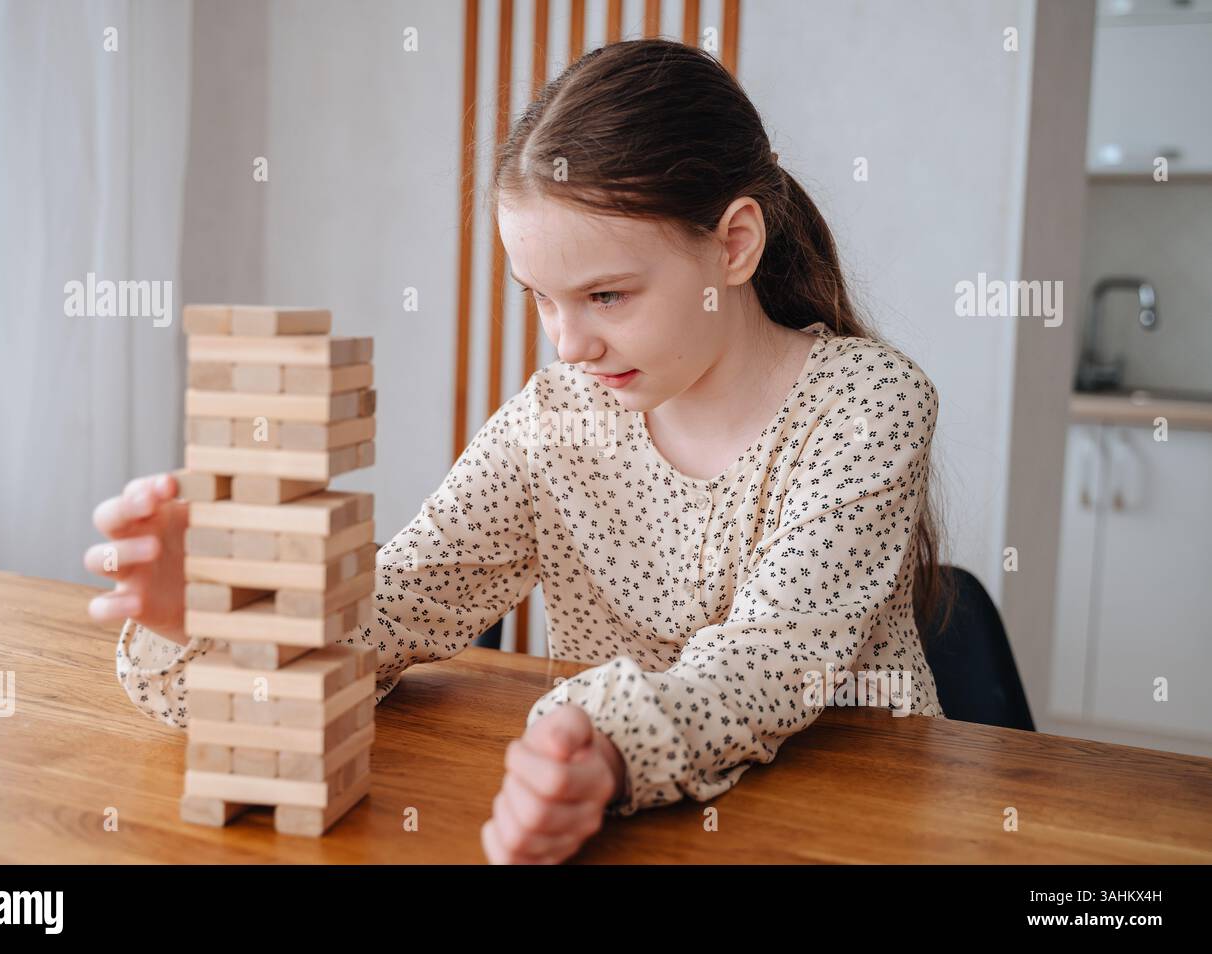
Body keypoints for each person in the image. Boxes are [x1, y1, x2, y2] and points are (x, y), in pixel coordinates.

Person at [87, 38, 952, 864]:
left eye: (606, 295)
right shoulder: (556, 423)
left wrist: (604, 746)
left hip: (850, 830)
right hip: (632, 835)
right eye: (540, 298)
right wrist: (215, 613)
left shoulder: (868, 406)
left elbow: (768, 665)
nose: (568, 344)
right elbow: (390, 610)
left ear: (733, 245)